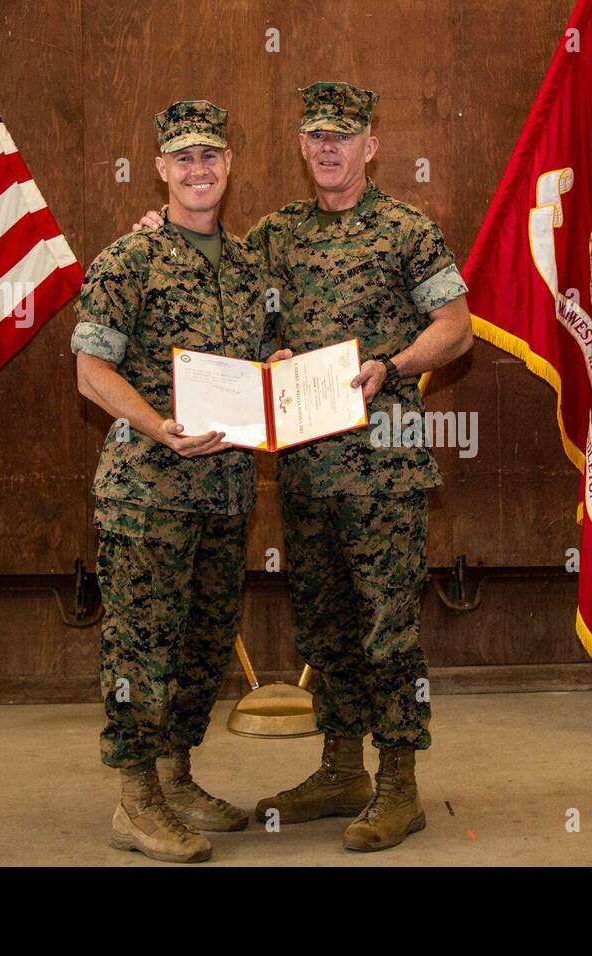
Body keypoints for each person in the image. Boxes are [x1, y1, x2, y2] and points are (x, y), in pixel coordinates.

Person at [142, 81, 472, 851]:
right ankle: (340, 768)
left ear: (370, 146)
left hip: (383, 473)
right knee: (324, 628)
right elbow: (210, 268)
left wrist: (392, 364)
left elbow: (455, 328)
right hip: (304, 472)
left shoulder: (404, 230)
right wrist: (155, 227)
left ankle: (398, 785)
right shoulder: (273, 236)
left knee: (387, 631)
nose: (328, 148)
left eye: (343, 136)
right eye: (316, 136)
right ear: (301, 147)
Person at [71, 100, 273, 863]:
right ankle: (135, 799)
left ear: (228, 165)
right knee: (140, 648)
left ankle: (176, 774)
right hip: (147, 493)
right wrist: (158, 427)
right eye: (183, 158)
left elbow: (250, 367)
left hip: (224, 492)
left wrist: (277, 378)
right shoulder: (128, 260)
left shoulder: (250, 265)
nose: (199, 170)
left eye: (211, 156)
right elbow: (92, 371)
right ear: (160, 169)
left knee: (203, 644)